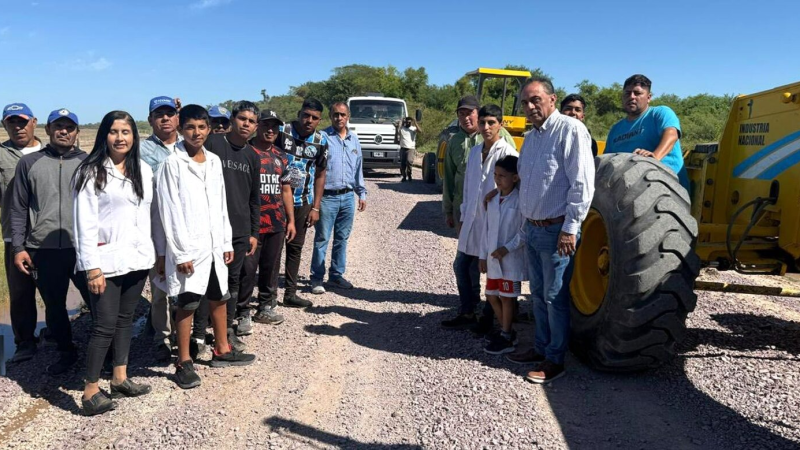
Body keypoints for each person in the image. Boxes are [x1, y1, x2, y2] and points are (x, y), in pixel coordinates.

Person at [156, 104, 255, 390]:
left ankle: (222, 349)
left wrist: (225, 241)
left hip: (214, 246)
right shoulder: (171, 164)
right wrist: (181, 253)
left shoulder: (213, 161)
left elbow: (220, 205)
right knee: (187, 302)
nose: (196, 133)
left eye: (201, 127)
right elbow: (169, 211)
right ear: (180, 128)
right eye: (190, 127)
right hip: (190, 247)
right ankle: (184, 361)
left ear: (209, 129)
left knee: (219, 295)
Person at [508, 77, 594, 384]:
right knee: (539, 294)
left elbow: (582, 183)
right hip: (533, 229)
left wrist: (571, 229)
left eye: (536, 100)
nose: (530, 107)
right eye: (525, 102)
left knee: (555, 297)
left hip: (557, 230)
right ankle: (542, 347)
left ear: (552, 99)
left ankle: (555, 359)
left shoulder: (571, 130)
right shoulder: (531, 138)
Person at [72, 111, 154, 415]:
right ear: (103, 136)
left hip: (136, 259)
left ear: (134, 137)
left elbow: (148, 216)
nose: (120, 138)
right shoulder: (90, 171)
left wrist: (155, 255)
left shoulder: (143, 170)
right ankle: (90, 389)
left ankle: (120, 378)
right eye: (114, 131)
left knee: (125, 319)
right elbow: (84, 224)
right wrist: (91, 267)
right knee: (103, 325)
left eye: (126, 132)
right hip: (105, 262)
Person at [9, 108, 91, 375]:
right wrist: (20, 248)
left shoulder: (89, 162)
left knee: (97, 301)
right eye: (58, 126)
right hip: (42, 248)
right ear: (47, 129)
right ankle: (66, 352)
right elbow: (19, 208)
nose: (63, 131)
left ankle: (105, 352)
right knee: (54, 305)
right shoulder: (29, 163)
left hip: (81, 247)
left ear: (77, 132)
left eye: (69, 127)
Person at [442, 96, 516, 334]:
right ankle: (467, 310)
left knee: (492, 269)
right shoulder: (474, 152)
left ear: (500, 125)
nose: (485, 127)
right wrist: (462, 215)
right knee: (462, 265)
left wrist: (496, 191)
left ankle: (489, 317)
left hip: (494, 220)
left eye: (490, 123)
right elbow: (467, 187)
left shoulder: (507, 151)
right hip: (472, 218)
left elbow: (514, 182)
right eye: (483, 122)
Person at [204, 101, 260, 343]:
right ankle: (199, 332)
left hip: (238, 229)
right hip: (208, 226)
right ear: (233, 120)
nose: (246, 124)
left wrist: (253, 232)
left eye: (251, 121)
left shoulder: (251, 156)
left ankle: (226, 330)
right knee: (205, 279)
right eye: (242, 119)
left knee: (232, 281)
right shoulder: (213, 143)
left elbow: (254, 198)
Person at [239, 110, 295, 325]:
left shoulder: (281, 156)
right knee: (247, 269)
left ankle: (265, 306)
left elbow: (286, 190)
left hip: (276, 222)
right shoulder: (245, 151)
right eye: (265, 125)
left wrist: (290, 220)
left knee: (271, 267)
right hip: (250, 225)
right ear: (257, 127)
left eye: (275, 126)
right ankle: (242, 311)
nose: (270, 130)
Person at [140, 95, 182, 362]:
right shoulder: (140, 151)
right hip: (155, 229)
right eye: (159, 114)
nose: (165, 118)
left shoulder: (189, 146)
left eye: (170, 113)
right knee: (159, 289)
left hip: (185, 229)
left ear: (178, 117)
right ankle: (162, 338)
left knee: (188, 286)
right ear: (150, 120)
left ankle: (186, 334)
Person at [275, 98, 328, 309]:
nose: (309, 120)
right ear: (299, 114)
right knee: (274, 247)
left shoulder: (321, 141)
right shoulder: (282, 131)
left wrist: (316, 206)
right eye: (306, 115)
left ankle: (290, 293)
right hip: (276, 200)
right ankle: (267, 296)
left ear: (319, 120)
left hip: (303, 201)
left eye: (314, 118)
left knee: (295, 248)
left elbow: (321, 174)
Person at [0, 103, 43, 363]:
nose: (18, 127)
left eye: (22, 121)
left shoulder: (50, 152)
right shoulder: (1, 154)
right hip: (14, 237)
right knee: (20, 292)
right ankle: (25, 342)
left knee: (54, 289)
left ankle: (58, 332)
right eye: (11, 122)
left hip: (48, 235)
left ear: (34, 122)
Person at [310, 102, 366, 295]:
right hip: (327, 198)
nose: (339, 118)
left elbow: (358, 168)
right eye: (335, 115)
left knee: (342, 238)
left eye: (342, 115)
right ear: (330, 116)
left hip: (348, 197)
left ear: (348, 116)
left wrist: (362, 193)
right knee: (322, 238)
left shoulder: (354, 140)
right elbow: (315, 169)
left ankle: (336, 275)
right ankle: (316, 278)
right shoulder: (322, 138)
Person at [604, 74, 689, 190]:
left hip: (665, 189)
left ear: (648, 97)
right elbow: (607, 160)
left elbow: (672, 134)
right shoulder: (616, 129)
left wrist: (654, 157)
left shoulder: (660, 113)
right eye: (627, 93)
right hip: (626, 192)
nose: (632, 97)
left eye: (637, 93)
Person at [479, 155, 526, 355]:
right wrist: (483, 255)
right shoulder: (493, 200)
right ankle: (507, 330)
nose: (497, 179)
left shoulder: (521, 200)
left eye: (503, 176)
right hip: (493, 258)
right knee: (490, 294)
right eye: (495, 175)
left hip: (511, 259)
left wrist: (507, 248)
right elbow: (486, 230)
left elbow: (525, 231)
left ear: (515, 178)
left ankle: (506, 335)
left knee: (507, 298)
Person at [395, 116, 421, 182]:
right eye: (407, 122)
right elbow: (397, 134)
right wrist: (397, 126)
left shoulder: (413, 128)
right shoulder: (402, 129)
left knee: (409, 161)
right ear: (405, 122)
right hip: (403, 148)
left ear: (411, 122)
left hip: (411, 148)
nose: (408, 123)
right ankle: (404, 176)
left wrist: (415, 122)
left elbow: (420, 131)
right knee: (402, 164)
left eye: (409, 122)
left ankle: (409, 175)